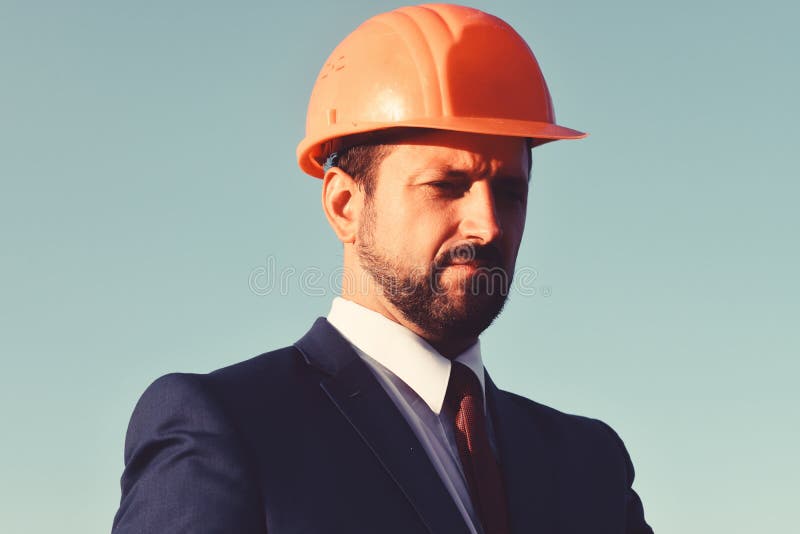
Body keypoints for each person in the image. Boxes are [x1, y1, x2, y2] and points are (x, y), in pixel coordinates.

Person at [112, 4, 653, 533]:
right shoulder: (232, 430)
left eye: (510, 192)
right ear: (345, 206)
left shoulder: (591, 465)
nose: (487, 226)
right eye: (448, 185)